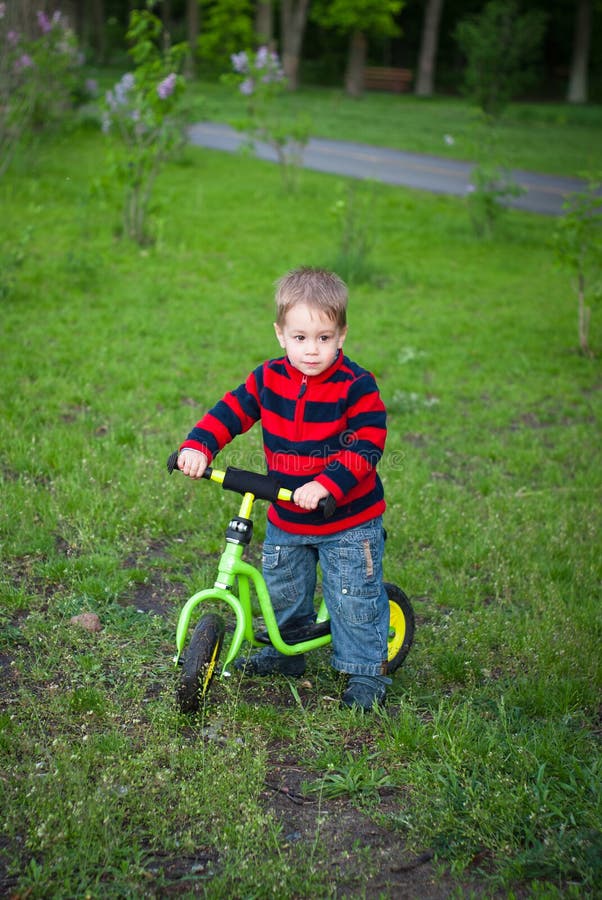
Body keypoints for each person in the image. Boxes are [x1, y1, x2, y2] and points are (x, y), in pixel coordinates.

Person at [177, 267, 390, 710]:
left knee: (351, 596)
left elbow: (367, 443)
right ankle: (285, 652)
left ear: (342, 335)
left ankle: (366, 673)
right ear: (280, 334)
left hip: (346, 520)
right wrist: (199, 445)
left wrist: (327, 484)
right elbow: (231, 411)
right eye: (300, 338)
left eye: (324, 338)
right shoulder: (267, 379)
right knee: (283, 589)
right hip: (286, 513)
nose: (312, 350)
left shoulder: (356, 386)